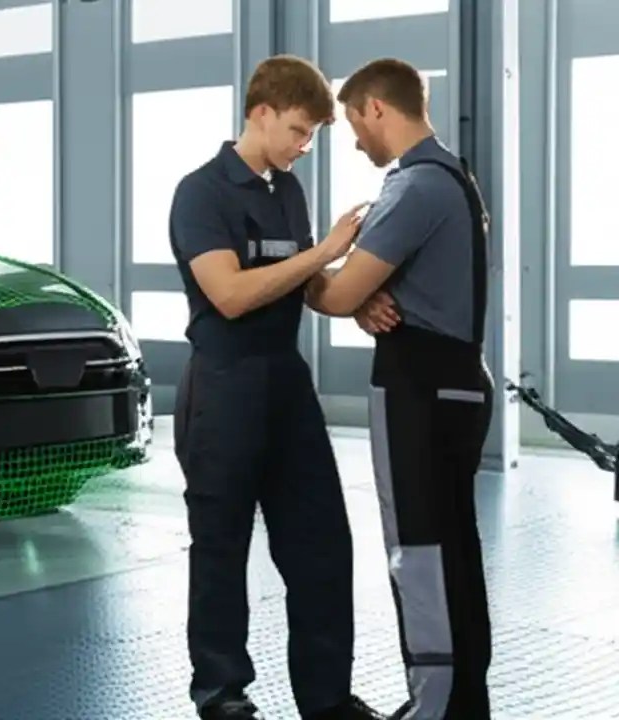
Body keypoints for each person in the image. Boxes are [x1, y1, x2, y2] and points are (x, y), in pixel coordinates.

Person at [168, 54, 387, 720]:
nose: (303, 145)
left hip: (287, 386)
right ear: (260, 113)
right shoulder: (200, 193)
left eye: (313, 136)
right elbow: (230, 295)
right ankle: (223, 696)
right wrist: (325, 251)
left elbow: (305, 283)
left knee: (322, 544)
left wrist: (356, 301)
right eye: (297, 130)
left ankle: (326, 700)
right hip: (225, 383)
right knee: (222, 550)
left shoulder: (286, 191)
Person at [305, 57, 495, 720]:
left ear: (377, 108)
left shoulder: (413, 186)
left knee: (419, 553)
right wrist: (367, 301)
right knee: (452, 552)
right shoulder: (454, 175)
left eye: (356, 122)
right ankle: (462, 703)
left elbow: (339, 291)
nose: (357, 140)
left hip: (421, 389)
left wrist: (298, 268)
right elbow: (386, 290)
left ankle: (434, 709)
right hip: (457, 380)